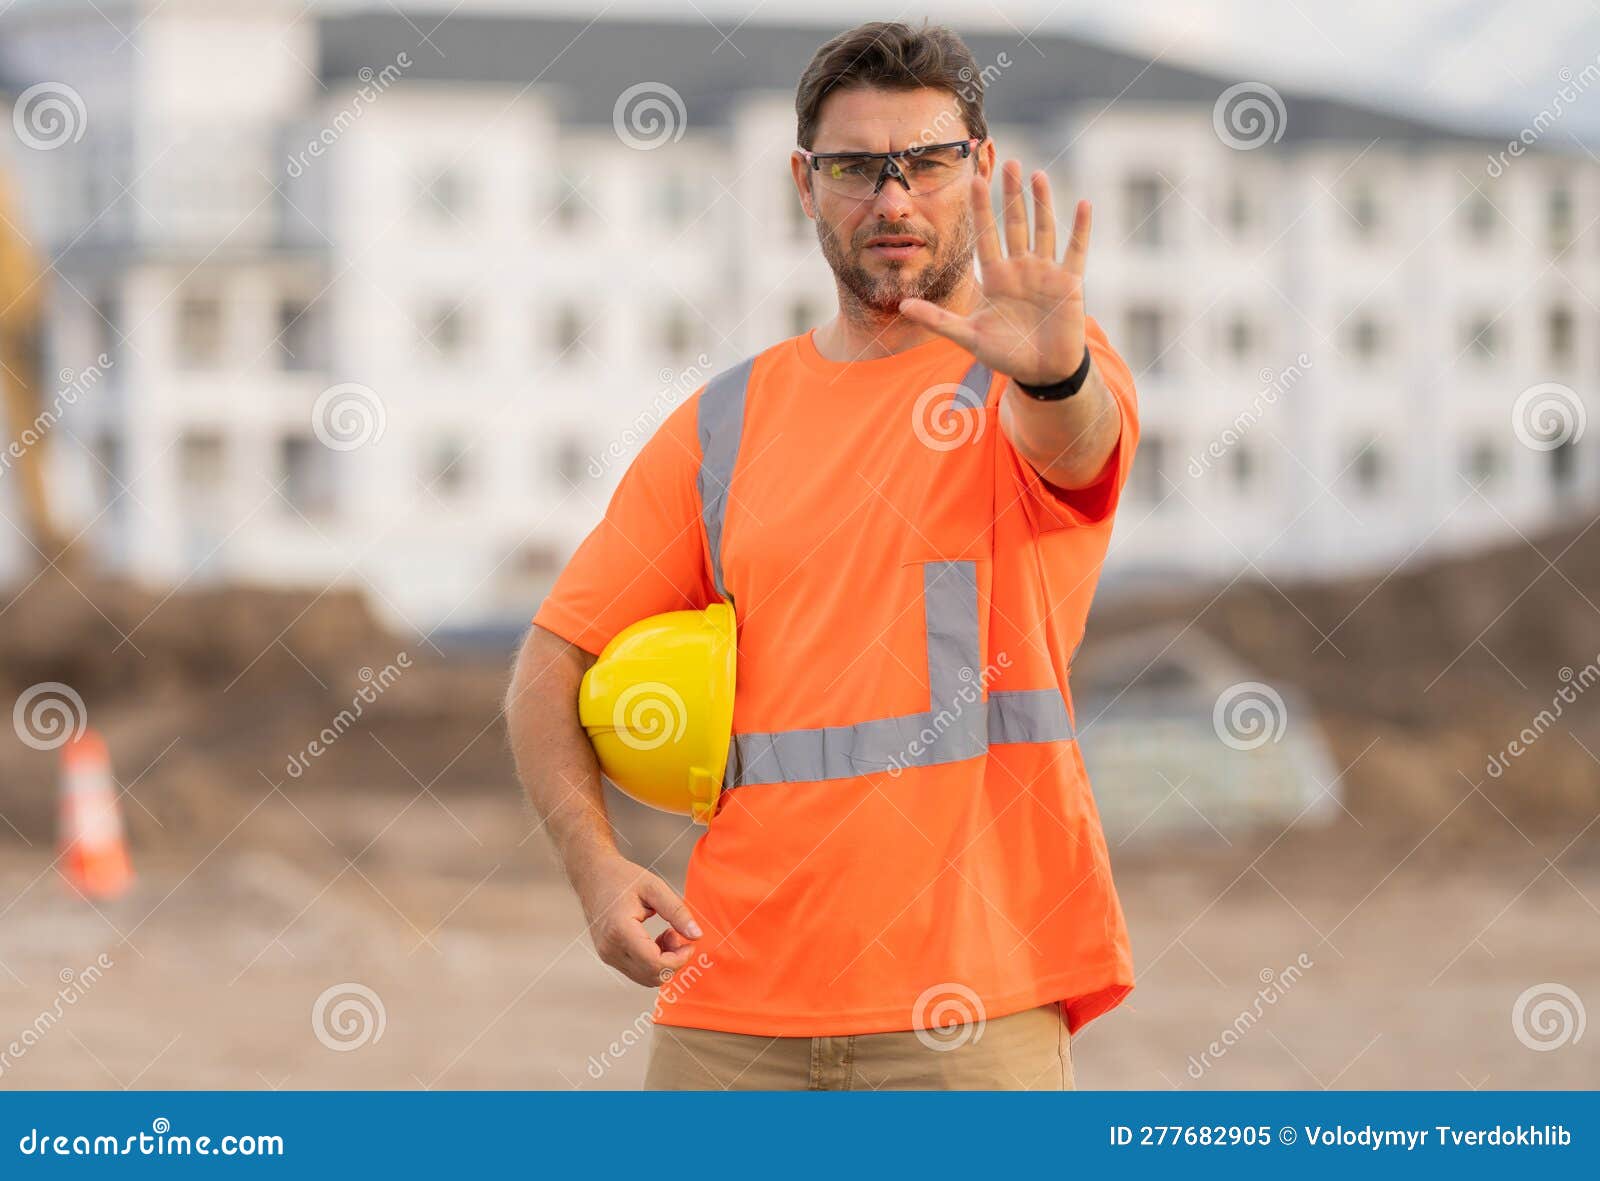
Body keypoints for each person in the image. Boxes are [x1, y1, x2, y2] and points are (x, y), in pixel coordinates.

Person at [505, 19, 1140, 1091]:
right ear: (806, 184)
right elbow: (545, 668)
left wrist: (1051, 372)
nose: (892, 200)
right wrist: (596, 866)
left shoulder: (1029, 379)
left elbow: (1078, 446)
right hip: (729, 1009)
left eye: (927, 163)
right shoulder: (724, 425)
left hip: (971, 1008)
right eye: (855, 168)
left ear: (978, 169)